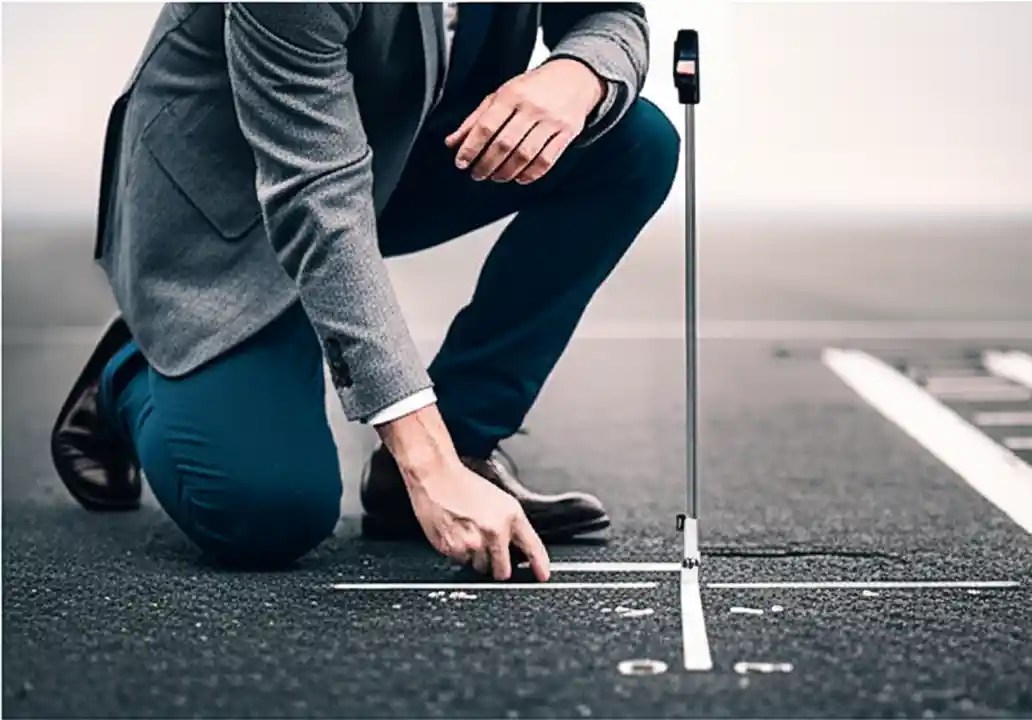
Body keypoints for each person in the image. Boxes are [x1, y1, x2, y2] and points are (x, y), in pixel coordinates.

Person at [49, 3, 678, 582]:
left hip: (391, 143)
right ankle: (130, 367)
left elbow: (610, 14)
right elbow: (316, 196)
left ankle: (465, 437)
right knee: (266, 512)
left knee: (634, 144)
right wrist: (426, 465)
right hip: (231, 196)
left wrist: (578, 73)